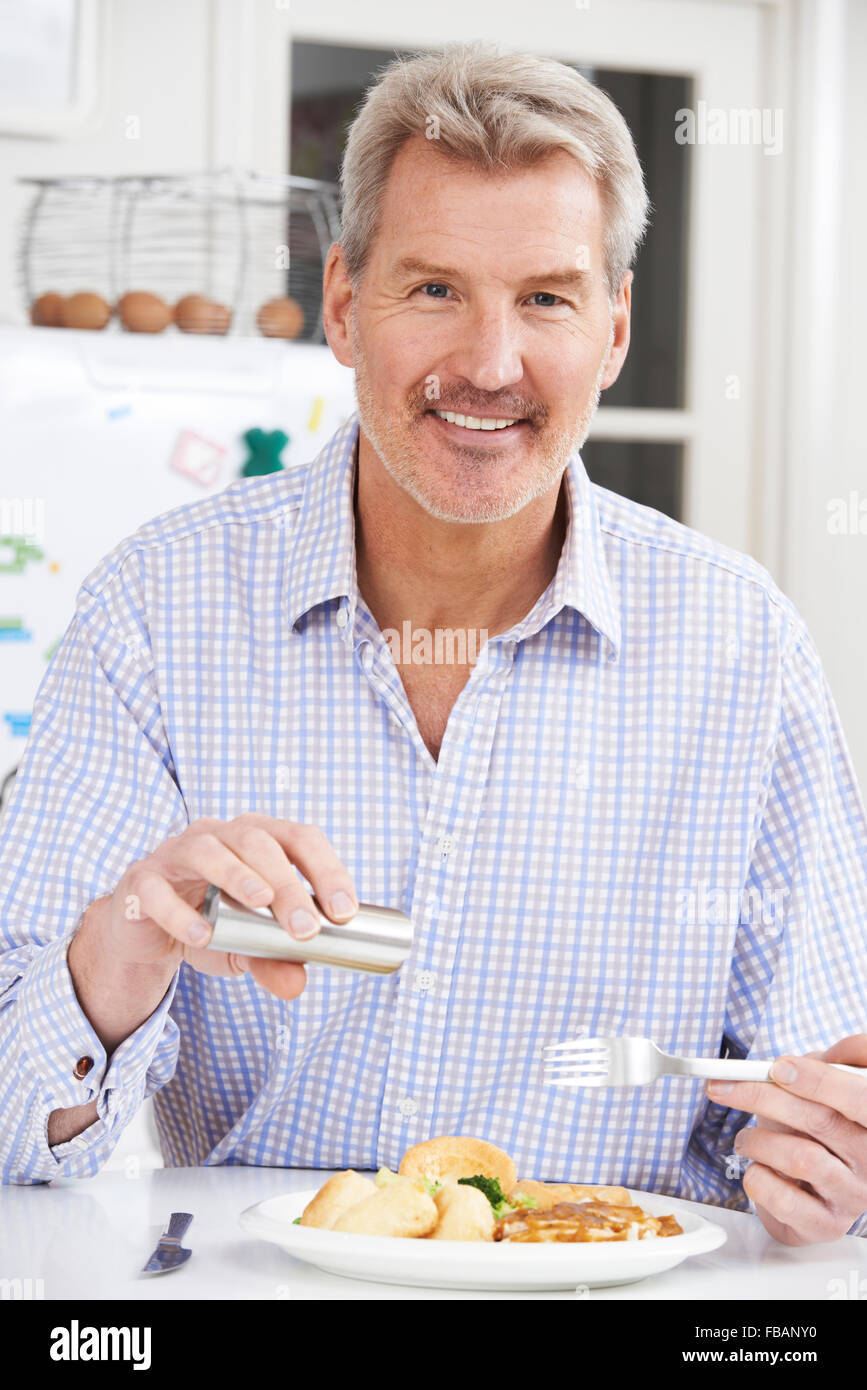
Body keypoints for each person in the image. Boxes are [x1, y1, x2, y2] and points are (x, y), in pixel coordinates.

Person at [1, 42, 865, 1245]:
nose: (490, 364)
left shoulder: (741, 643)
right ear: (347, 303)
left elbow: (812, 1088)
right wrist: (129, 939)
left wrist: (827, 1162)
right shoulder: (160, 605)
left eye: (548, 298)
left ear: (615, 329)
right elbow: (10, 1124)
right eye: (436, 290)